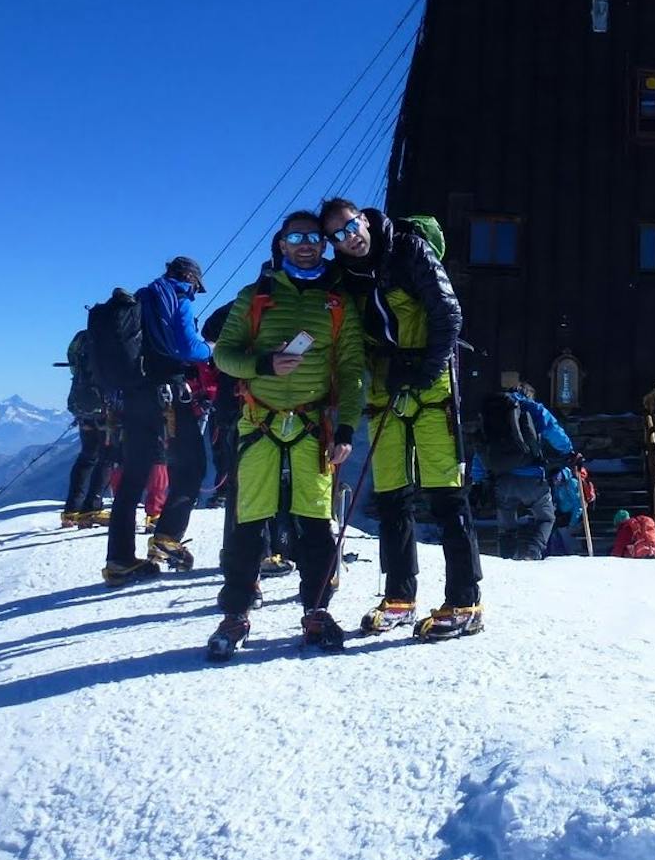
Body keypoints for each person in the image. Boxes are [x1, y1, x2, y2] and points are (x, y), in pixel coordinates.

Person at [320, 197, 483, 640]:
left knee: (446, 496)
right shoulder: (344, 276)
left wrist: (424, 369)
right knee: (391, 497)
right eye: (337, 234)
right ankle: (399, 597)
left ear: (363, 218)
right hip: (383, 388)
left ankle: (465, 601)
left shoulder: (407, 248)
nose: (349, 237)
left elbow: (447, 313)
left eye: (351, 225)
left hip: (431, 386)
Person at [209, 211, 364, 655]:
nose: (305, 244)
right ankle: (235, 613)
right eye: (295, 237)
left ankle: (316, 610)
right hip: (259, 420)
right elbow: (225, 356)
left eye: (314, 237)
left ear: (323, 244)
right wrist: (263, 365)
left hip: (314, 427)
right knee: (248, 521)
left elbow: (352, 372)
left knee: (315, 523)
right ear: (281, 244)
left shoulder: (338, 303)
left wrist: (347, 429)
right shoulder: (255, 296)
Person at [103, 257, 213, 586]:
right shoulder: (177, 298)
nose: (195, 292)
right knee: (191, 467)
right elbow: (188, 348)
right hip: (168, 394)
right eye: (196, 286)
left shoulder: (141, 298)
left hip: (134, 395)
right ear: (190, 278)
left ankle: (119, 560)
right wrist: (211, 349)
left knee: (134, 474)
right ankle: (167, 536)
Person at [474, 382, 576, 561]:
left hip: (503, 479)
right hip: (532, 478)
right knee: (546, 518)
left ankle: (506, 557)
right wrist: (568, 451)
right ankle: (532, 552)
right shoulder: (532, 408)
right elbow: (553, 430)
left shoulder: (495, 412)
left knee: (506, 523)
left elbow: (482, 449)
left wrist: (478, 478)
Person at [59, 330, 116, 528]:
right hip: (105, 404)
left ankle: (71, 510)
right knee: (107, 457)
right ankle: (93, 507)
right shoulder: (115, 338)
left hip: (82, 401)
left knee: (87, 455)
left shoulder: (82, 337)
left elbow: (73, 366)